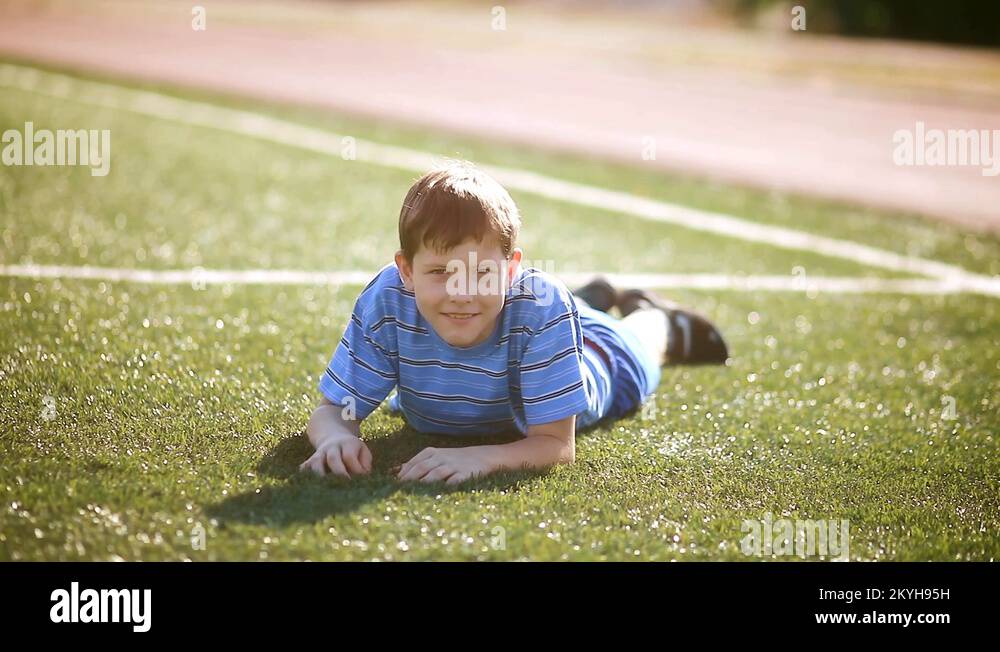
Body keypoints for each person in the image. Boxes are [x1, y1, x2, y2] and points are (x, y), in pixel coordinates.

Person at [299, 160, 728, 484]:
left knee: (634, 345)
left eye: (482, 273)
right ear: (406, 270)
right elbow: (333, 411)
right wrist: (336, 437)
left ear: (510, 270)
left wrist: (480, 457)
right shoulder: (388, 298)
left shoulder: (542, 308)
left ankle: (658, 320)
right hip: (528, 324)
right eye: (439, 272)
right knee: (524, 309)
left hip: (596, 359)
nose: (461, 292)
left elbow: (556, 445)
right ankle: (591, 299)